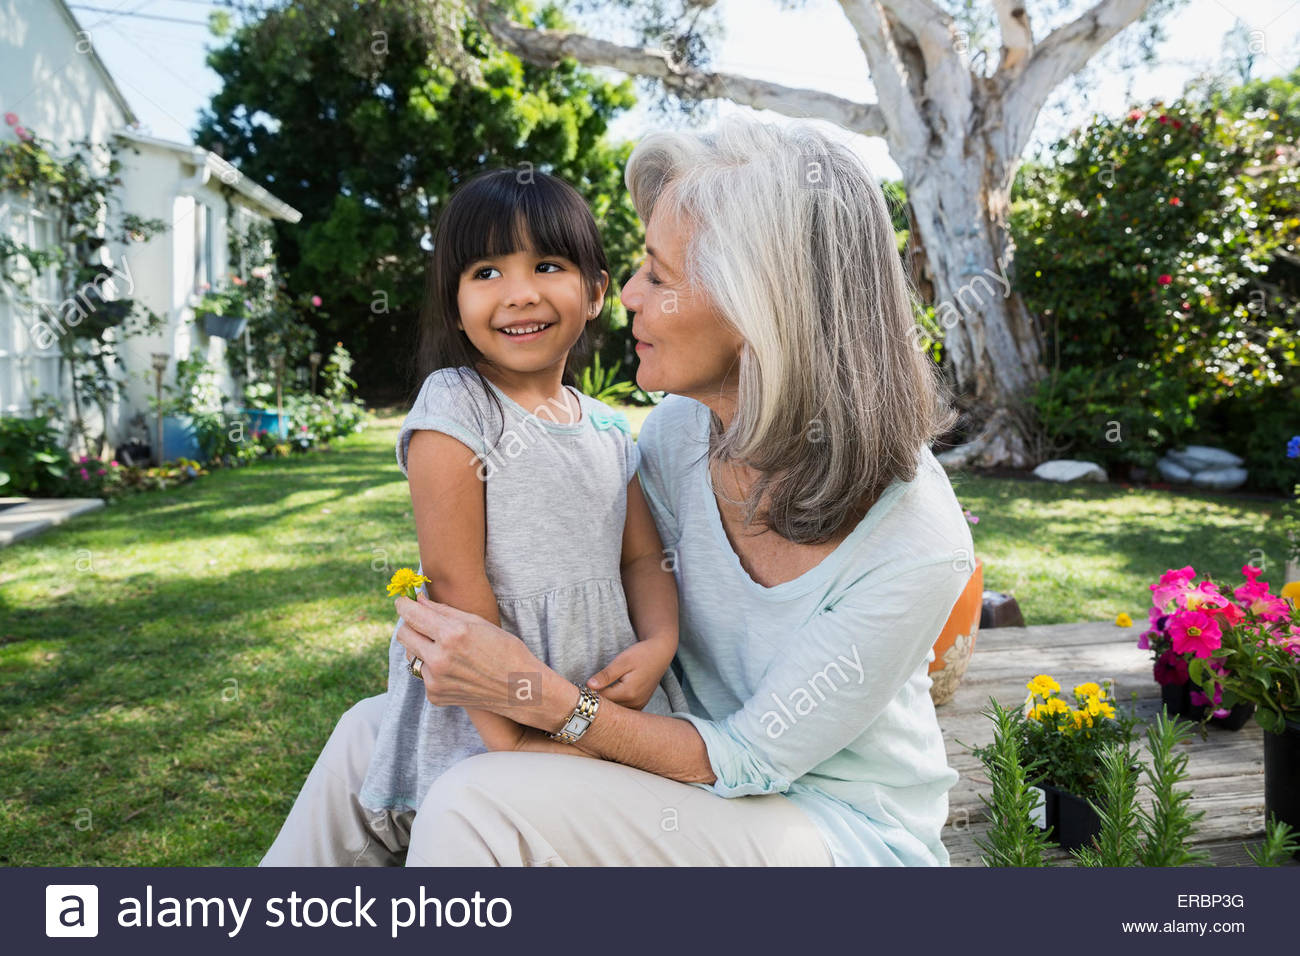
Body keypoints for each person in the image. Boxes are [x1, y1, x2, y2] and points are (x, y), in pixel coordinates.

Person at [262, 117, 974, 867]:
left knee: (479, 802)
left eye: (659, 276)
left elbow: (747, 761)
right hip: (670, 752)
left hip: (821, 823)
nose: (626, 291)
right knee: (367, 738)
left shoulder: (915, 542)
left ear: (760, 307)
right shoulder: (677, 432)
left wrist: (537, 701)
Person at [261, 168, 686, 864]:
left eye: (547, 265)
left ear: (596, 292)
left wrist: (658, 643)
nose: (520, 292)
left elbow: (642, 558)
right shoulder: (455, 406)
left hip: (595, 702)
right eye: (486, 271)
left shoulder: (610, 428)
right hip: (489, 714)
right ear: (455, 306)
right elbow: (457, 586)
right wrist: (512, 735)